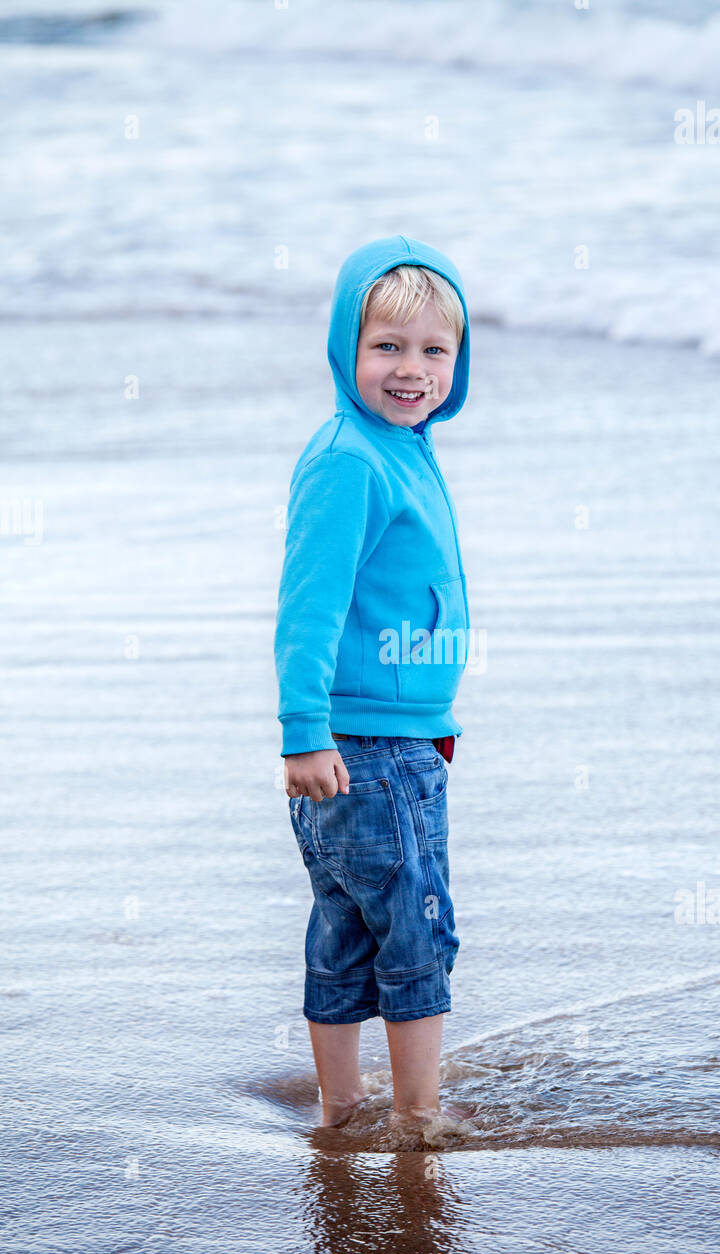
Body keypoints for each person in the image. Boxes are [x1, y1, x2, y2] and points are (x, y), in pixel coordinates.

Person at [274, 236, 472, 1136]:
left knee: (350, 930)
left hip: (392, 738)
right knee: (415, 931)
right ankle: (417, 1120)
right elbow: (309, 610)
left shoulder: (404, 448)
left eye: (435, 350)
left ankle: (342, 1107)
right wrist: (305, 729)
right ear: (345, 352)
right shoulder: (352, 459)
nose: (412, 369)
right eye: (387, 347)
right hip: (363, 749)